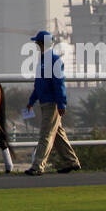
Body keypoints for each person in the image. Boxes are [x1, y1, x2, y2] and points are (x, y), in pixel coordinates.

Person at [25, 30, 81, 175]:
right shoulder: (42, 61)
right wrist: (32, 100)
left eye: (38, 42)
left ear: (43, 44)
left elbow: (59, 83)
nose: (37, 45)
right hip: (44, 102)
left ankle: (37, 166)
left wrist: (61, 103)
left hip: (52, 104)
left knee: (45, 134)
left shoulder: (55, 60)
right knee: (57, 134)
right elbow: (39, 85)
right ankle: (71, 161)